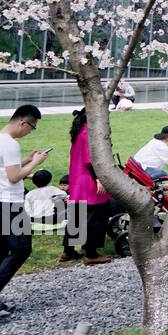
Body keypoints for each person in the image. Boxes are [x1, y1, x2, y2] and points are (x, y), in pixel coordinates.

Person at [0, 105, 48, 319]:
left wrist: (27, 161)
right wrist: (36, 163)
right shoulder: (10, 144)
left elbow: (4, 170)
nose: (30, 131)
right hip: (9, 204)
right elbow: (13, 177)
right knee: (21, 249)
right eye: (32, 127)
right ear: (23, 122)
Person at [61, 109, 113, 266]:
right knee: (95, 218)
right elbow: (91, 159)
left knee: (77, 215)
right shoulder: (90, 135)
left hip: (77, 178)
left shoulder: (79, 132)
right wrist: (99, 178)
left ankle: (68, 251)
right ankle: (91, 253)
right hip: (89, 180)